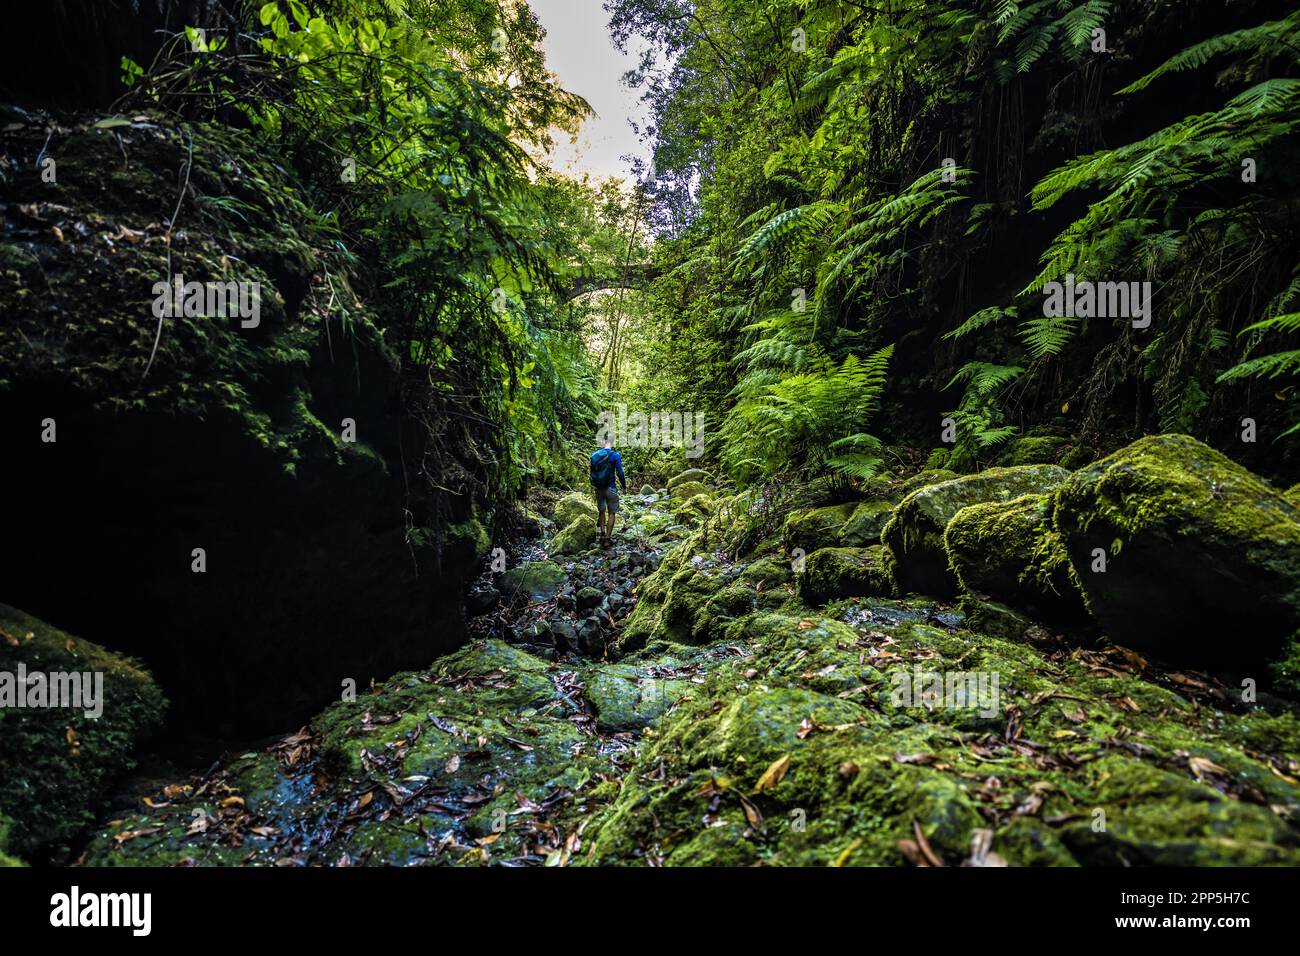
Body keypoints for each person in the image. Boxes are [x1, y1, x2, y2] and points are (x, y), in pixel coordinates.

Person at [590, 437, 627, 549]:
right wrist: (624, 487)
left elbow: (592, 472)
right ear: (612, 443)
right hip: (610, 488)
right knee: (611, 513)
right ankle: (607, 539)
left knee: (602, 511)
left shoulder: (595, 455)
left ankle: (602, 534)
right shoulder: (615, 455)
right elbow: (620, 473)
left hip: (599, 488)